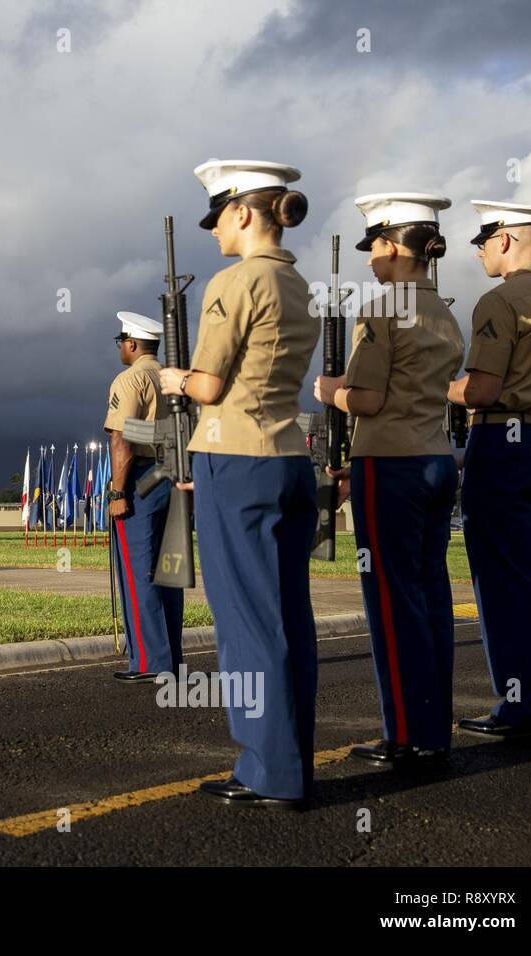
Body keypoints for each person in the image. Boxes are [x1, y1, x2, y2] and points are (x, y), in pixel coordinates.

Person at [158, 160, 319, 809]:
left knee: (247, 622)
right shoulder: (300, 285)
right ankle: (290, 760)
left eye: (220, 214)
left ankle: (268, 772)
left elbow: (211, 384)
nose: (216, 228)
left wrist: (175, 380)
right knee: (286, 618)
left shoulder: (236, 281)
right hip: (286, 455)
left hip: (236, 458)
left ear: (245, 213)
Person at [315, 193, 465, 766]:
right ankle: (431, 726)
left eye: (375, 246)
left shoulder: (382, 309)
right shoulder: (445, 312)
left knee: (391, 600)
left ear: (396, 246)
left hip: (391, 468)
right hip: (433, 461)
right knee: (429, 596)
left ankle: (407, 733)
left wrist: (329, 390)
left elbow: (370, 399)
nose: (370, 259)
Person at [448, 200, 531, 740]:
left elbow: (484, 390)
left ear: (504, 240)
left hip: (503, 439)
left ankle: (523, 707)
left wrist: (427, 387)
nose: (477, 250)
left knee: (503, 581)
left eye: (483, 239)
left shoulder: (500, 300)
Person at [103, 311, 185, 682]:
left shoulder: (130, 379)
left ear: (133, 345)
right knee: (169, 573)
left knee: (139, 575)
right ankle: (171, 659)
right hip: (172, 476)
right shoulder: (171, 379)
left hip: (141, 479)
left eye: (122, 342)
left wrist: (118, 491)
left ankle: (150, 662)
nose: (121, 347)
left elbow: (123, 439)